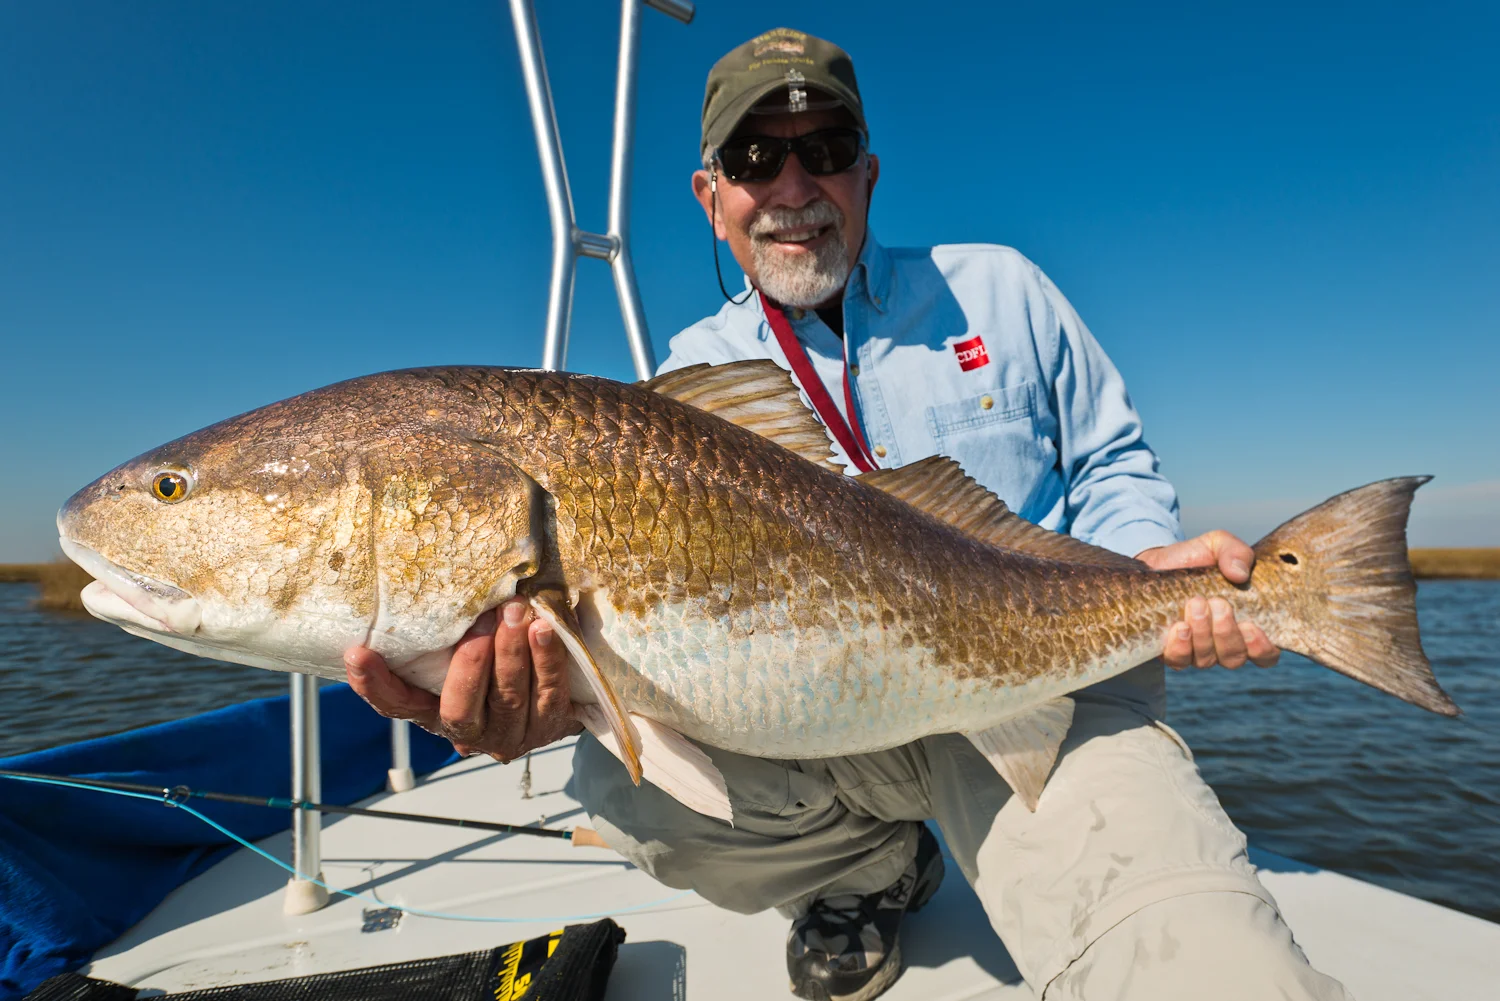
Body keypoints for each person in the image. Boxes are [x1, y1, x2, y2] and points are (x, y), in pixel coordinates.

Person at [347, 28, 1351, 1001]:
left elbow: (1111, 459)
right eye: (754, 157)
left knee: (1202, 963)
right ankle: (871, 871)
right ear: (711, 196)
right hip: (816, 719)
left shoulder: (999, 289)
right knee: (629, 796)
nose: (792, 190)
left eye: (823, 152)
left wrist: (1148, 562)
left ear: (867, 174)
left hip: (1032, 681)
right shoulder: (678, 386)